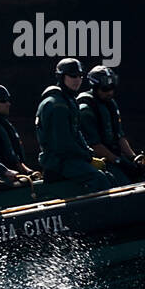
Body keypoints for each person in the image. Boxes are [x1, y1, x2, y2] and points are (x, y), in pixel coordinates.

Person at [34, 58, 114, 192]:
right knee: (99, 179)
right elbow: (63, 143)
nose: (77, 79)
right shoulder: (56, 105)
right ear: (61, 77)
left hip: (70, 159)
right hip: (59, 162)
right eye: (72, 76)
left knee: (108, 176)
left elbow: (76, 133)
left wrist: (89, 154)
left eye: (80, 76)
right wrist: (87, 158)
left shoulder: (68, 100)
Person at [79, 65, 145, 185]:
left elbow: (120, 136)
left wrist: (132, 158)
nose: (110, 92)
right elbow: (95, 146)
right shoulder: (85, 110)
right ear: (95, 87)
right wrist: (118, 161)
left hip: (115, 156)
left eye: (112, 88)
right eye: (105, 89)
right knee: (123, 183)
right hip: (98, 160)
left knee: (141, 177)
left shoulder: (110, 104)